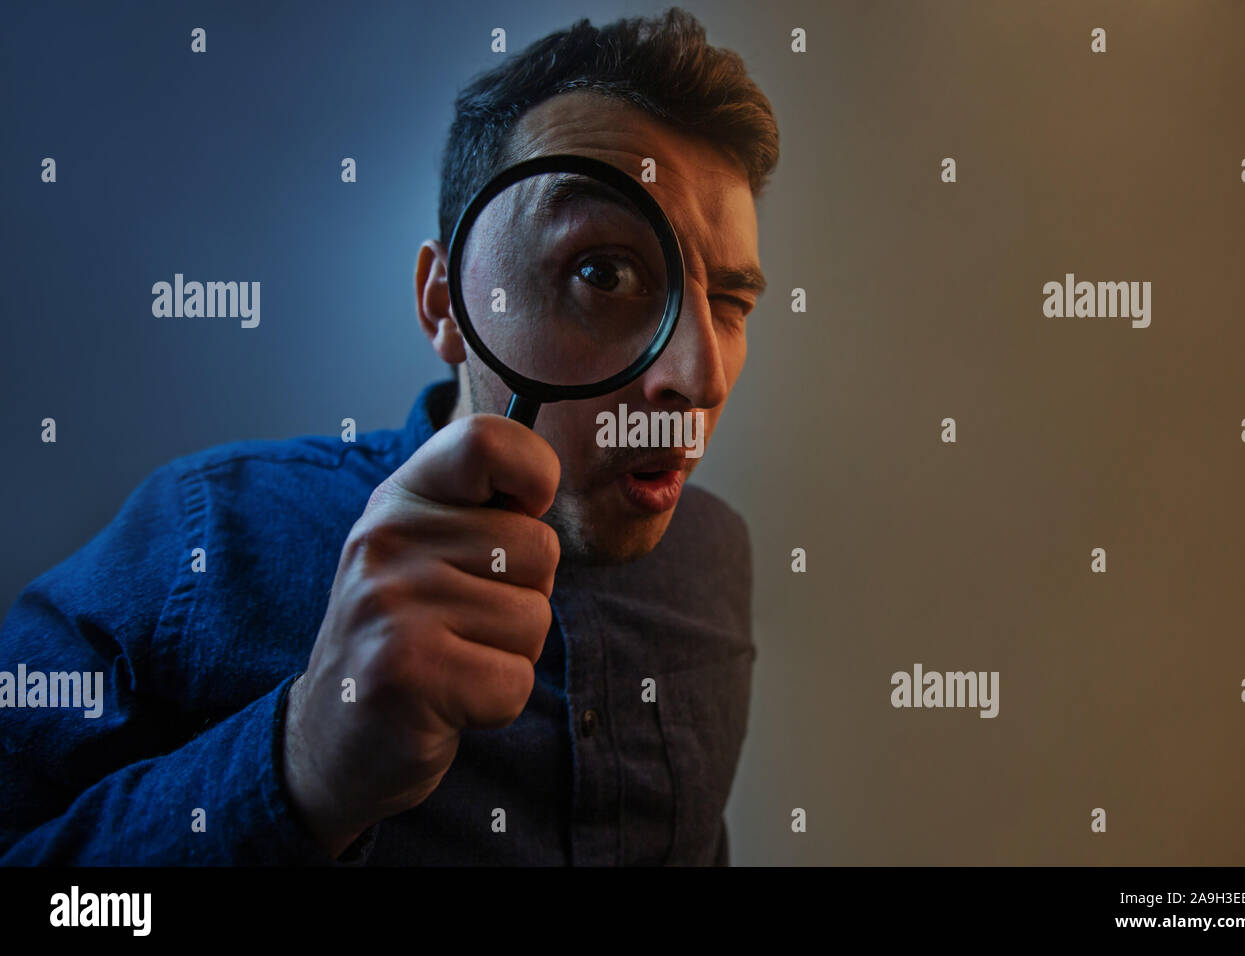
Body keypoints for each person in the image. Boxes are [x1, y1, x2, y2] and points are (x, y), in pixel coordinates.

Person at [0, 6, 778, 865]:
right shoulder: (206, 539)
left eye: (731, 303)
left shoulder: (714, 555)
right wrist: (298, 765)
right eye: (604, 272)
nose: (699, 379)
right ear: (445, 302)